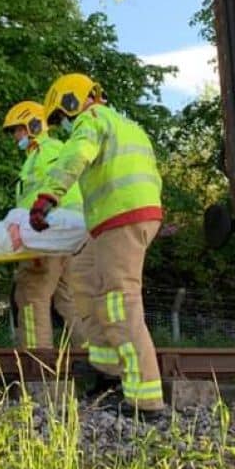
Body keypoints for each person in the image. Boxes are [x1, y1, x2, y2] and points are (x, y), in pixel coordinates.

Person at [29, 73, 165, 415]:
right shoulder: (127, 126)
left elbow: (76, 156)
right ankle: (108, 373)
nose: (63, 125)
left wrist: (48, 196)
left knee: (120, 301)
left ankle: (145, 399)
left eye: (61, 116)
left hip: (122, 218)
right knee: (83, 281)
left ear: (72, 101)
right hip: (115, 221)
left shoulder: (92, 120)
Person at [3, 100, 89, 351]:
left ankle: (36, 369)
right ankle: (98, 362)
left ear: (33, 125)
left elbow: (46, 191)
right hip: (70, 236)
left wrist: (22, 223)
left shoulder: (46, 152)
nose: (15, 137)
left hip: (48, 232)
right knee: (71, 300)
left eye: (18, 130)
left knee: (31, 294)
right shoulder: (52, 151)